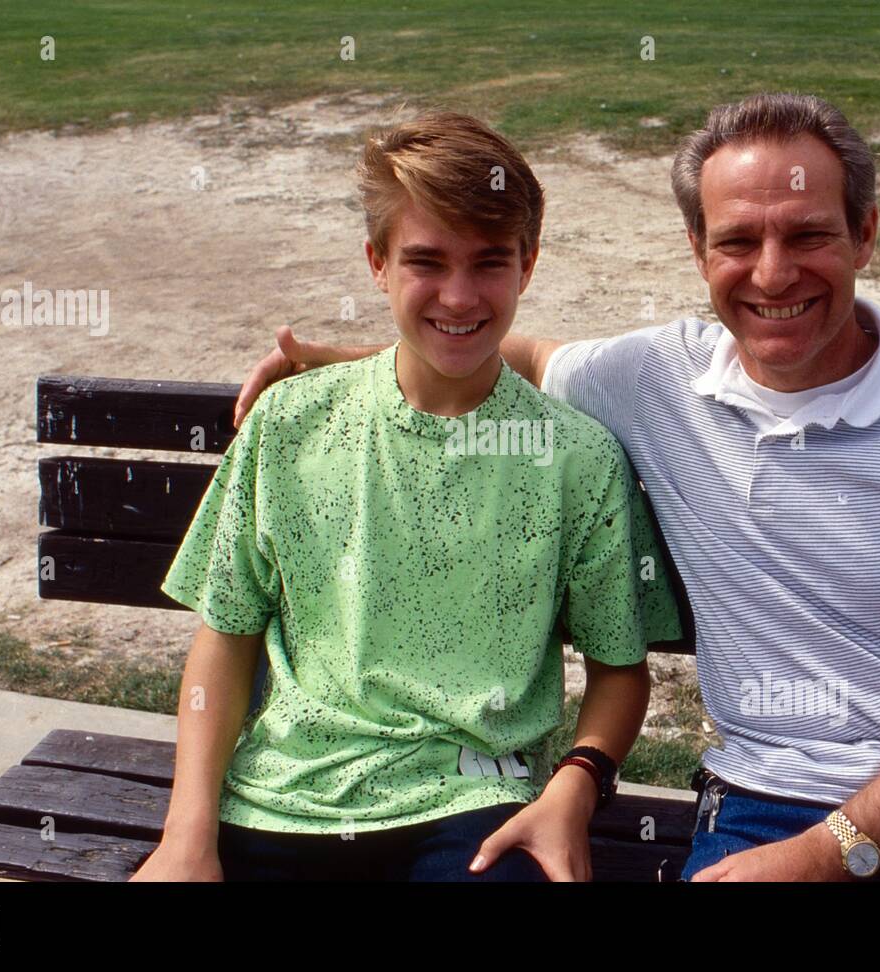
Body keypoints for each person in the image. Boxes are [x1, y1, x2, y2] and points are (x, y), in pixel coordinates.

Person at [235, 93, 880, 882]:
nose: (773, 273)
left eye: (809, 235)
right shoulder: (657, 378)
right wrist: (331, 366)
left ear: (865, 234)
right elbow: (507, 356)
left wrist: (830, 857)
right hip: (764, 806)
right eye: (738, 242)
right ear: (698, 250)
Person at [130, 111, 681, 882]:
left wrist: (576, 783)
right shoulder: (289, 424)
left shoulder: (577, 459)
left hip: (474, 802)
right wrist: (186, 838)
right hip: (282, 799)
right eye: (427, 261)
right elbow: (226, 633)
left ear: (527, 266)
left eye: (490, 262)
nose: (459, 296)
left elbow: (619, 666)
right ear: (377, 263)